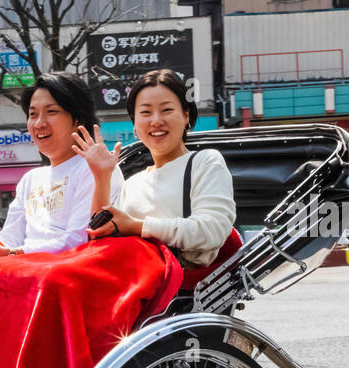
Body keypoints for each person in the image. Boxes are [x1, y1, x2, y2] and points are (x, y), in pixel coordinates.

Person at [0, 71, 125, 258]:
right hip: (24, 272)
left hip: (66, 276)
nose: (39, 123)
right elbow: (9, 238)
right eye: (33, 114)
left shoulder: (96, 170)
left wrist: (10, 253)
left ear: (78, 120)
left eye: (51, 112)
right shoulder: (30, 179)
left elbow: (79, 240)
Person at [85, 68, 236, 269]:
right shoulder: (132, 184)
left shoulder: (205, 162)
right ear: (135, 124)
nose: (156, 121)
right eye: (145, 112)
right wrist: (102, 177)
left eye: (166, 110)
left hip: (176, 283)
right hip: (130, 279)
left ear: (185, 115)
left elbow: (211, 230)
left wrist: (137, 227)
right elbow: (100, 241)